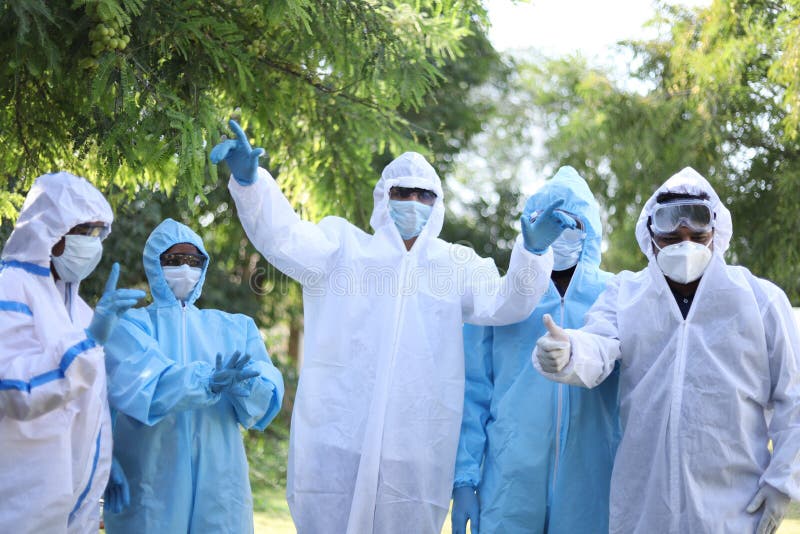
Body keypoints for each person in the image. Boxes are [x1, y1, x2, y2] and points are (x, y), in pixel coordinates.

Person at [210, 119, 571, 533]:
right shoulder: (343, 248)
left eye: (424, 194)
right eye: (402, 192)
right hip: (337, 440)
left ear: (438, 203)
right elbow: (286, 238)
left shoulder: (455, 265)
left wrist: (533, 251)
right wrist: (251, 183)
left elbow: (508, 302)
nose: (412, 201)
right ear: (384, 196)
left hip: (415, 451)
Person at [534, 167, 800, 534]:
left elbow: (793, 397)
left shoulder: (760, 299)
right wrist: (568, 350)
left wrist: (782, 482)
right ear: (650, 232)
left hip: (733, 509)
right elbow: (597, 344)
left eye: (696, 226)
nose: (684, 237)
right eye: (671, 228)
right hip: (646, 505)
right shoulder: (627, 294)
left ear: (715, 230)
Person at [452, 166, 620, 534]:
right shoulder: (502, 299)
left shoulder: (617, 296)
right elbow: (473, 392)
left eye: (571, 222)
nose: (560, 231)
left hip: (592, 485)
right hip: (509, 483)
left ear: (590, 229)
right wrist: (465, 478)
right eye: (549, 221)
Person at [101, 218, 284, 533]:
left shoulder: (235, 328)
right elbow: (146, 385)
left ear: (204, 266)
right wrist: (207, 381)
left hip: (219, 482)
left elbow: (263, 399)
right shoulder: (131, 326)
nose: (185, 267)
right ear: (155, 264)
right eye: (174, 260)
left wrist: (246, 384)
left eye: (194, 260)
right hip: (151, 478)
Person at [0, 171, 145, 533]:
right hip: (19, 501)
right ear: (51, 232)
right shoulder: (11, 289)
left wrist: (105, 463)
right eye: (84, 231)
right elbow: (14, 389)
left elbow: (90, 403)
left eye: (99, 233)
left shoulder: (79, 310)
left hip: (69, 507)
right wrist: (87, 344)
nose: (93, 243)